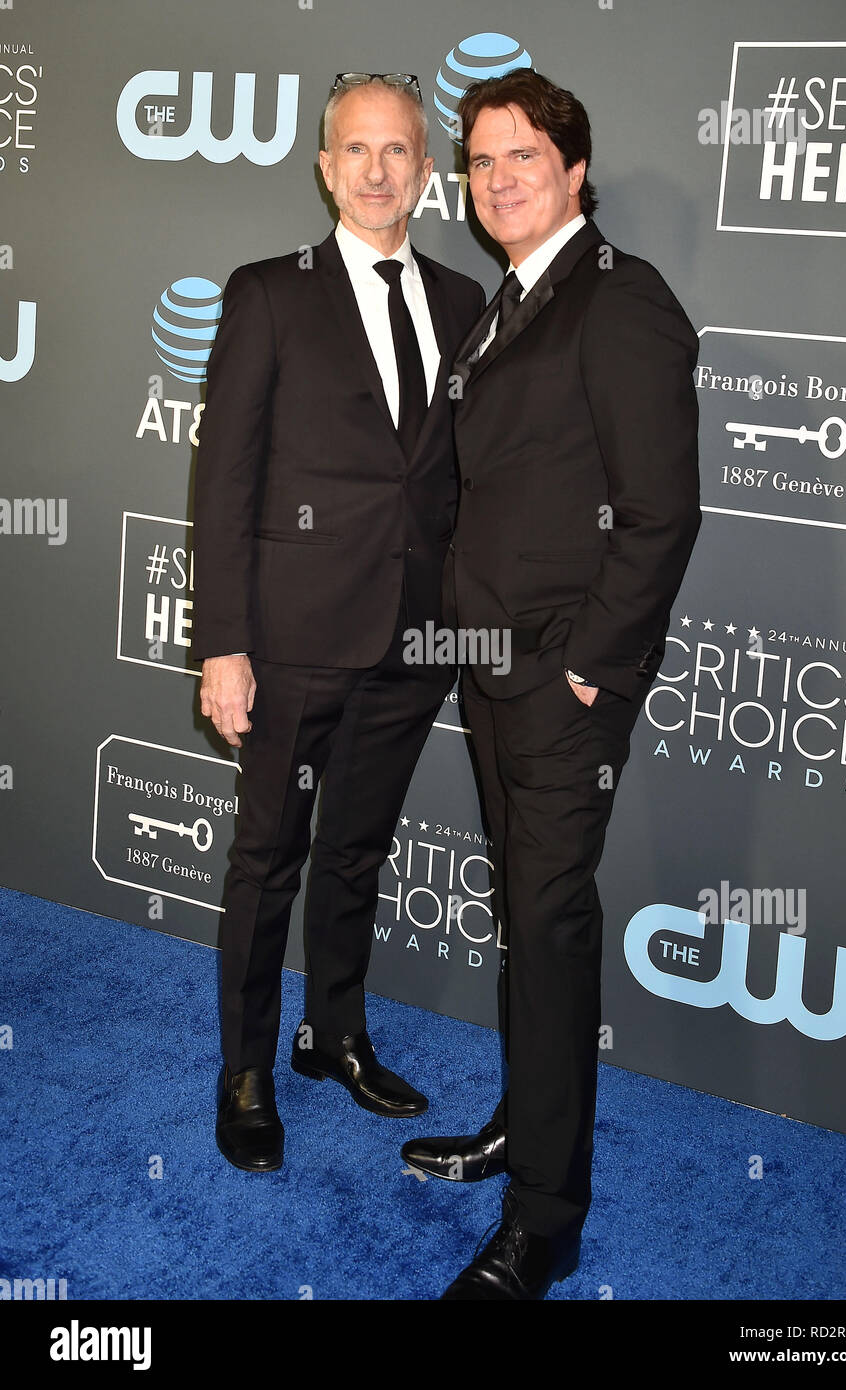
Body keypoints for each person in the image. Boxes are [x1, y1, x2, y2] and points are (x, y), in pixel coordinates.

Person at [401, 69, 702, 1299]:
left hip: (562, 682)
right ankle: (521, 1130)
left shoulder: (620, 303)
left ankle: (548, 1216)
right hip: (488, 667)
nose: (498, 178)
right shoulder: (503, 304)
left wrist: (586, 672)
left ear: (574, 170)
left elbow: (658, 515)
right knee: (523, 922)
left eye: (521, 155)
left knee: (548, 924)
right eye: (478, 162)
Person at [192, 73, 485, 1173]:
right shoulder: (268, 293)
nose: (374, 170)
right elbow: (222, 481)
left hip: (411, 645)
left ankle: (335, 1034)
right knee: (267, 861)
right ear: (324, 166)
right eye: (353, 150)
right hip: (290, 641)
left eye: (396, 151)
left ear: (425, 171)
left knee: (356, 851)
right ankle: (250, 1070)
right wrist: (223, 644)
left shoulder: (464, 304)